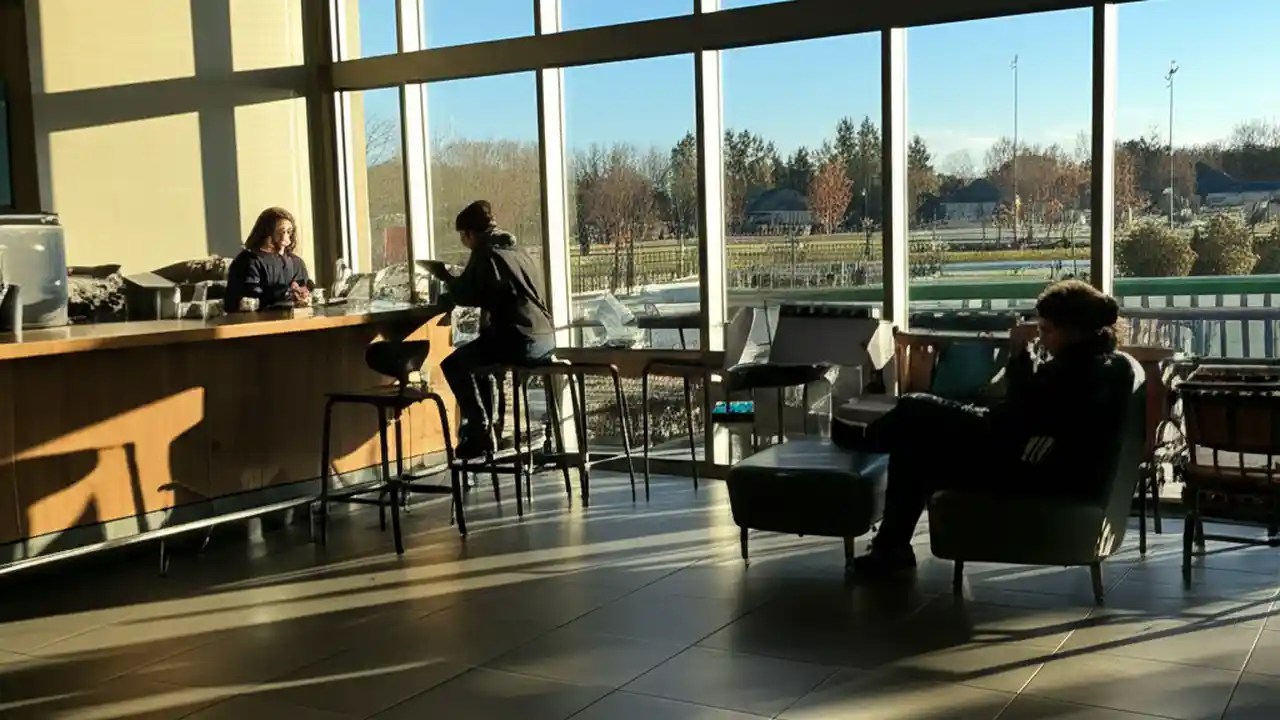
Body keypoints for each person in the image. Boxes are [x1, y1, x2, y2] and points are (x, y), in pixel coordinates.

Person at [840, 279, 1131, 578]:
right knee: (916, 441)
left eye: (1046, 331)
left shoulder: (1078, 373)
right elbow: (1025, 415)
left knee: (916, 410)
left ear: (1074, 331)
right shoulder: (1097, 366)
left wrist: (1018, 357)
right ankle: (891, 546)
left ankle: (867, 444)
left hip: (1037, 474)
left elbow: (1014, 418)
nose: (1041, 338)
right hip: (1039, 463)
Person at [431, 201, 554, 458]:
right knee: (479, 360)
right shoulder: (517, 250)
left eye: (462, 237)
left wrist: (445, 278)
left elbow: (467, 293)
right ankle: (487, 430)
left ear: (469, 234)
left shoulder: (486, 253)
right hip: (544, 337)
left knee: (454, 364)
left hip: (519, 340)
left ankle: (479, 431)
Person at [224, 207, 311, 312]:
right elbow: (247, 297)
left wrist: (303, 294)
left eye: (289, 232)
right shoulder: (249, 261)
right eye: (281, 232)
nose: (285, 237)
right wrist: (283, 293)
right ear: (267, 232)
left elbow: (304, 288)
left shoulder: (296, 262)